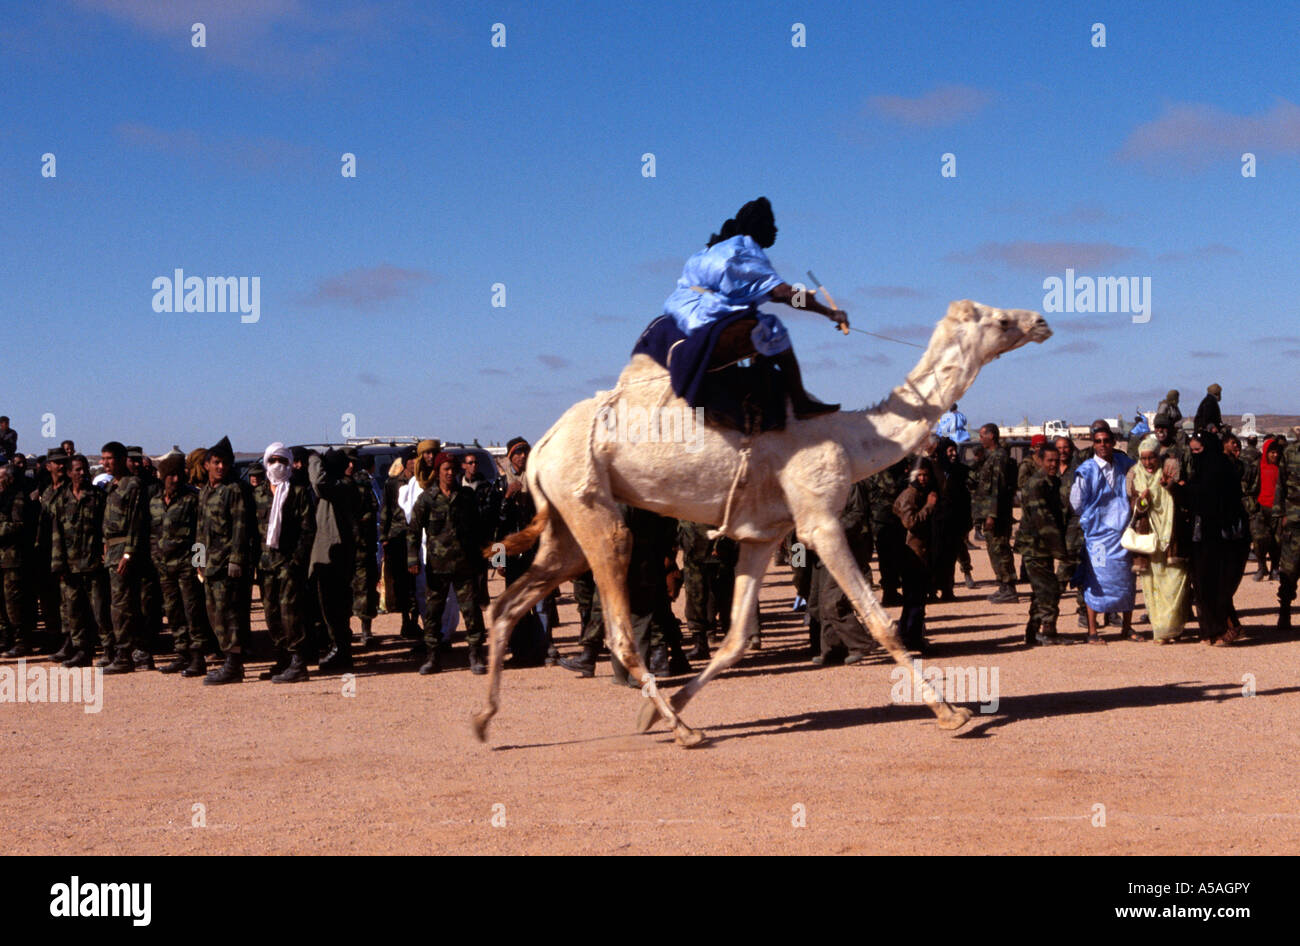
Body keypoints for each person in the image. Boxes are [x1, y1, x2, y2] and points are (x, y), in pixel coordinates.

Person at [640, 196, 848, 419]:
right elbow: (783, 294)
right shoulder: (745, 251)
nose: (775, 230)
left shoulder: (709, 251)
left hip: (677, 315)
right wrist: (829, 312)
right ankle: (800, 403)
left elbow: (770, 292)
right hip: (704, 316)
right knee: (772, 329)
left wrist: (800, 296)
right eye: (771, 224)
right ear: (758, 227)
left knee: (753, 319)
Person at [408, 452, 487, 675]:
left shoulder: (467, 497)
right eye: (446, 469)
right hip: (437, 567)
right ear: (438, 472)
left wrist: (493, 559)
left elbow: (482, 530)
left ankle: (476, 655)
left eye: (453, 469)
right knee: (433, 613)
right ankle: (433, 657)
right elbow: (413, 532)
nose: (451, 473)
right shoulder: (427, 499)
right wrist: (413, 559)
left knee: (472, 611)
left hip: (465, 565)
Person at [253, 443, 316, 683]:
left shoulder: (297, 492)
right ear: (266, 463)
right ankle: (282, 660)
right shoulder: (258, 494)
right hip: (266, 565)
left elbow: (307, 529)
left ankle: (299, 663)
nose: (277, 465)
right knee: (272, 614)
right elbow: (251, 531)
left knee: (291, 614)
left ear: (288, 463)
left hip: (290, 564)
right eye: (272, 460)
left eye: (282, 460)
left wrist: (297, 561)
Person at [1069, 421, 1137, 643]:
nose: (1103, 445)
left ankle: (1126, 628)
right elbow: (1076, 503)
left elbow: (1140, 473)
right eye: (1098, 441)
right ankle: (1092, 631)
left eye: (1106, 441)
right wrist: (1094, 517)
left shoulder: (1123, 463)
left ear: (1113, 442)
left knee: (1126, 581)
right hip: (1098, 536)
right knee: (1095, 581)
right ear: (1093, 444)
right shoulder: (1086, 470)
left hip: (1122, 535)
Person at [148, 453, 207, 675]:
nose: (174, 479)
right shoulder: (154, 502)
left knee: (192, 612)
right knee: (173, 612)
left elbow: (200, 533)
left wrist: (199, 564)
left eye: (177, 474)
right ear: (162, 477)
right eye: (169, 475)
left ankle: (198, 657)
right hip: (164, 567)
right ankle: (181, 654)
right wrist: (155, 557)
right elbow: (152, 534)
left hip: (187, 567)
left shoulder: (192, 499)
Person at [1126, 435, 1189, 643]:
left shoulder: (1169, 470)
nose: (1148, 463)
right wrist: (1142, 501)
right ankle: (1161, 630)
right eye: (1143, 458)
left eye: (1151, 458)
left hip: (1171, 536)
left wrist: (1170, 486)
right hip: (1149, 537)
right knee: (1153, 585)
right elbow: (1135, 509)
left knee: (1174, 582)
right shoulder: (1134, 475)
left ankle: (1173, 627)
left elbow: (1183, 499)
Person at [197, 436, 249, 684]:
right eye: (216, 462)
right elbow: (199, 528)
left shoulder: (234, 490)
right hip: (209, 565)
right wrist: (198, 559)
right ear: (207, 464)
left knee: (229, 614)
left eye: (225, 463)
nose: (220, 467)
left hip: (227, 564)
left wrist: (236, 561)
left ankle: (234, 664)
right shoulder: (205, 492)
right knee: (214, 614)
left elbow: (240, 527)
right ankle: (228, 659)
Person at [50, 455, 111, 667]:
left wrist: (106, 552)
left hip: (94, 563)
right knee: (74, 611)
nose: (82, 473)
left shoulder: (98, 497)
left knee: (100, 609)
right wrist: (58, 564)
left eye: (84, 469)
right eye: (77, 470)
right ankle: (81, 651)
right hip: (70, 565)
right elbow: (56, 534)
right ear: (69, 473)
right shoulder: (61, 500)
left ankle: (108, 649)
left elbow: (106, 528)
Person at [99, 441, 151, 673]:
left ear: (121, 459)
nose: (105, 463)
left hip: (125, 551)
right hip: (112, 550)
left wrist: (129, 553)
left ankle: (125, 654)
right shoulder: (113, 486)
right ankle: (135, 652)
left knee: (122, 605)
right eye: (103, 459)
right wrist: (105, 546)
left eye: (109, 458)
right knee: (120, 603)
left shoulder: (133, 485)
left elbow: (136, 522)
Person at [308, 448, 358, 673]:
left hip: (336, 557)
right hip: (330, 555)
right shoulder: (338, 487)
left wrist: (313, 459)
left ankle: (341, 651)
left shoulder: (343, 486)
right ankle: (337, 648)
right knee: (328, 606)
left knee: (335, 606)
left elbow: (319, 483)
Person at [1014, 443, 1069, 645]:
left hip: (1043, 547)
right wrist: (1061, 550)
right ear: (1040, 460)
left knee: (1042, 589)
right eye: (1050, 461)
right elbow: (1043, 520)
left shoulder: (1052, 482)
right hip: (1035, 547)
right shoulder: (1036, 485)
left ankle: (1033, 631)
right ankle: (1047, 630)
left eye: (1056, 460)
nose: (1054, 464)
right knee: (1049, 589)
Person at [893, 459, 939, 654]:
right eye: (919, 475)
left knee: (916, 596)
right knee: (915, 597)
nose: (922, 478)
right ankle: (912, 638)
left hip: (921, 552)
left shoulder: (922, 493)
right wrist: (929, 507)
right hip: (912, 555)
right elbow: (910, 522)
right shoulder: (910, 496)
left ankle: (909, 635)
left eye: (925, 475)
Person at [973, 423, 1019, 603]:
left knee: (1001, 549)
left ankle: (1009, 587)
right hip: (990, 513)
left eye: (982, 435)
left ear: (991, 436)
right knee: (994, 550)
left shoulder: (999, 457)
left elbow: (997, 488)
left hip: (997, 515)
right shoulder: (991, 457)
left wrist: (992, 514)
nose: (980, 438)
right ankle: (1003, 585)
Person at [0, 463, 34, 656]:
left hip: (13, 559)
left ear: (10, 479)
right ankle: (6, 638)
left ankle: (22, 641)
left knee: (14, 602)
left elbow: (19, 525)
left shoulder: (17, 498)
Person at [1249, 438, 1283, 581]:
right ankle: (1262, 567)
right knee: (1259, 540)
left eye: (1276, 452)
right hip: (1261, 509)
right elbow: (1247, 486)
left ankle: (1275, 569)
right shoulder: (1257, 467)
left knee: (1277, 541)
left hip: (1278, 511)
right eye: (1272, 452)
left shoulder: (1282, 468)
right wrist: (1251, 506)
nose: (1274, 455)